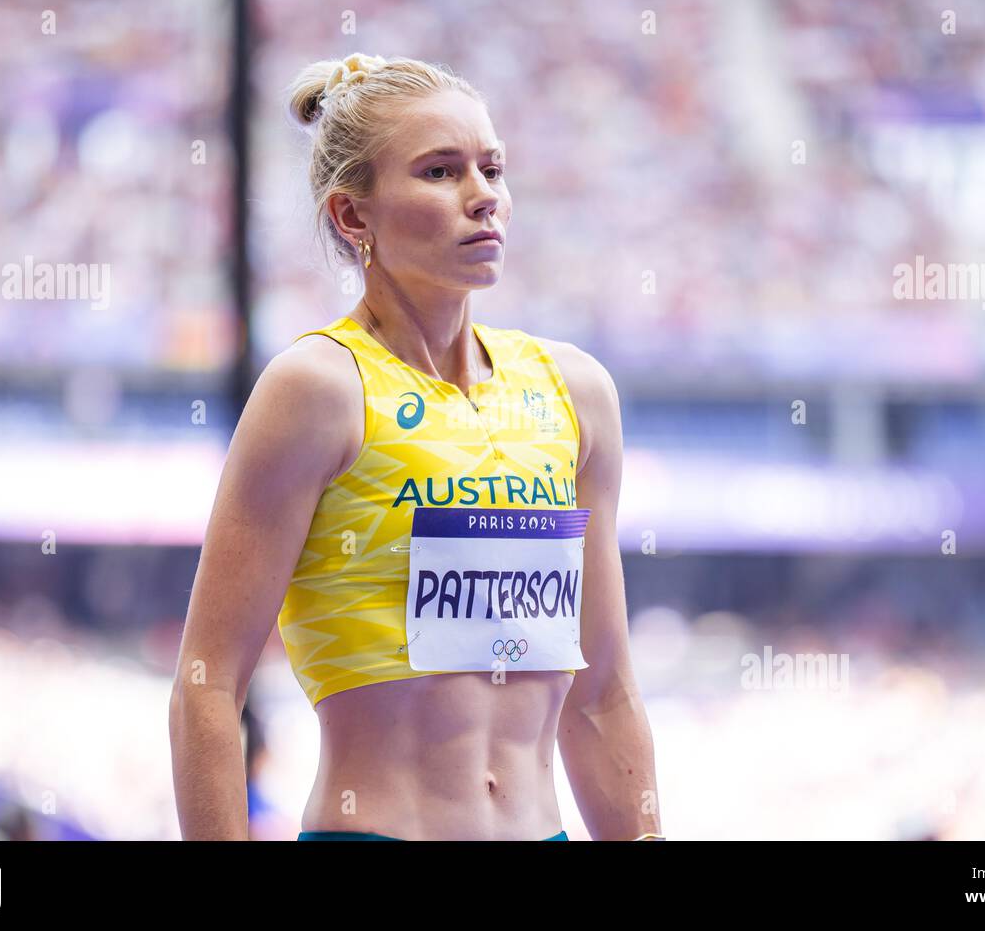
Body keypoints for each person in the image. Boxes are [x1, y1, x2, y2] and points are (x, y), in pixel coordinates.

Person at [170, 54, 662, 841]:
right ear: (352, 216)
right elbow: (207, 684)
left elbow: (603, 693)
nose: (483, 197)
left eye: (492, 169)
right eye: (440, 171)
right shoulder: (317, 389)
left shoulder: (577, 393)